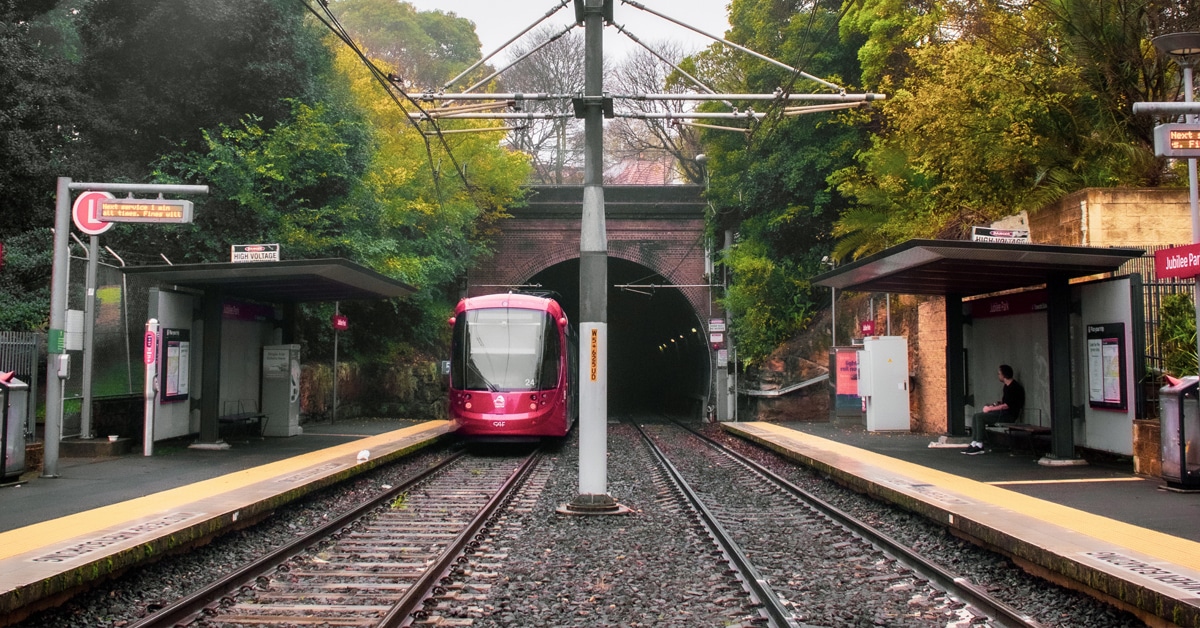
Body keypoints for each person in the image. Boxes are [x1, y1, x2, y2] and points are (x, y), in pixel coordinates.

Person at [963, 364, 1025, 455]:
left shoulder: (1015, 388)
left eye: (999, 374)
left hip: (1009, 415)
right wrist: (993, 405)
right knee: (976, 416)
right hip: (1003, 413)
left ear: (1004, 375)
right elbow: (1004, 402)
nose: (998, 376)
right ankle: (974, 442)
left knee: (980, 417)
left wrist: (990, 409)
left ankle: (980, 444)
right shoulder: (1006, 386)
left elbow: (1007, 406)